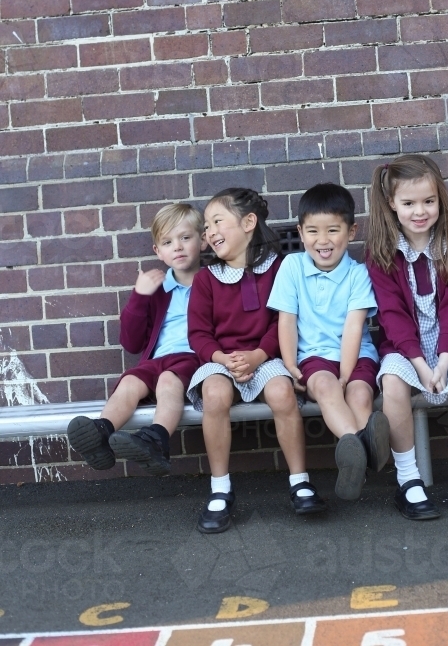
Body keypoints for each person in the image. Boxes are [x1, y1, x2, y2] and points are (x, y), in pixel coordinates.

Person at [187, 187, 326, 534]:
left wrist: (259, 355)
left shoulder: (278, 269)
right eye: (206, 226)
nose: (210, 231)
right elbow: (198, 334)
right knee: (215, 395)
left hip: (267, 354)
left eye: (217, 221)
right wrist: (223, 358)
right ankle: (221, 489)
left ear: (249, 223)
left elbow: (283, 321)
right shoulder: (207, 279)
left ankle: (299, 481)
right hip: (221, 360)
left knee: (281, 393)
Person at [366, 155, 448, 521]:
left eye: (428, 201)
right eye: (408, 204)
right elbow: (391, 315)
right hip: (405, 347)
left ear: (440, 198)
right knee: (392, 381)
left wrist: (446, 358)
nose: (420, 211)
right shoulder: (381, 251)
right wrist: (419, 364)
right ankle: (409, 480)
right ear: (392, 204)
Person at [270, 183, 389, 502]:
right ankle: (361, 448)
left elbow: (354, 328)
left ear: (351, 232)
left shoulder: (358, 274)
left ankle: (358, 452)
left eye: (333, 230)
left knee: (360, 394)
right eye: (313, 232)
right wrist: (291, 364)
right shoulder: (291, 267)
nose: (323, 241)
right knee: (325, 386)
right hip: (314, 357)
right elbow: (287, 320)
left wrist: (348, 374)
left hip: (357, 355)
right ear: (300, 232)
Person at [67, 203, 206, 476]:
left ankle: (157, 439)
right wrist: (140, 296)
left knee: (168, 380)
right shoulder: (157, 289)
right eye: (167, 242)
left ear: (202, 241)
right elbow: (131, 343)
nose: (177, 247)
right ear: (158, 251)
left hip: (194, 358)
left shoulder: (214, 283)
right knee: (131, 380)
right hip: (158, 360)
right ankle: (101, 433)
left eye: (185, 238)